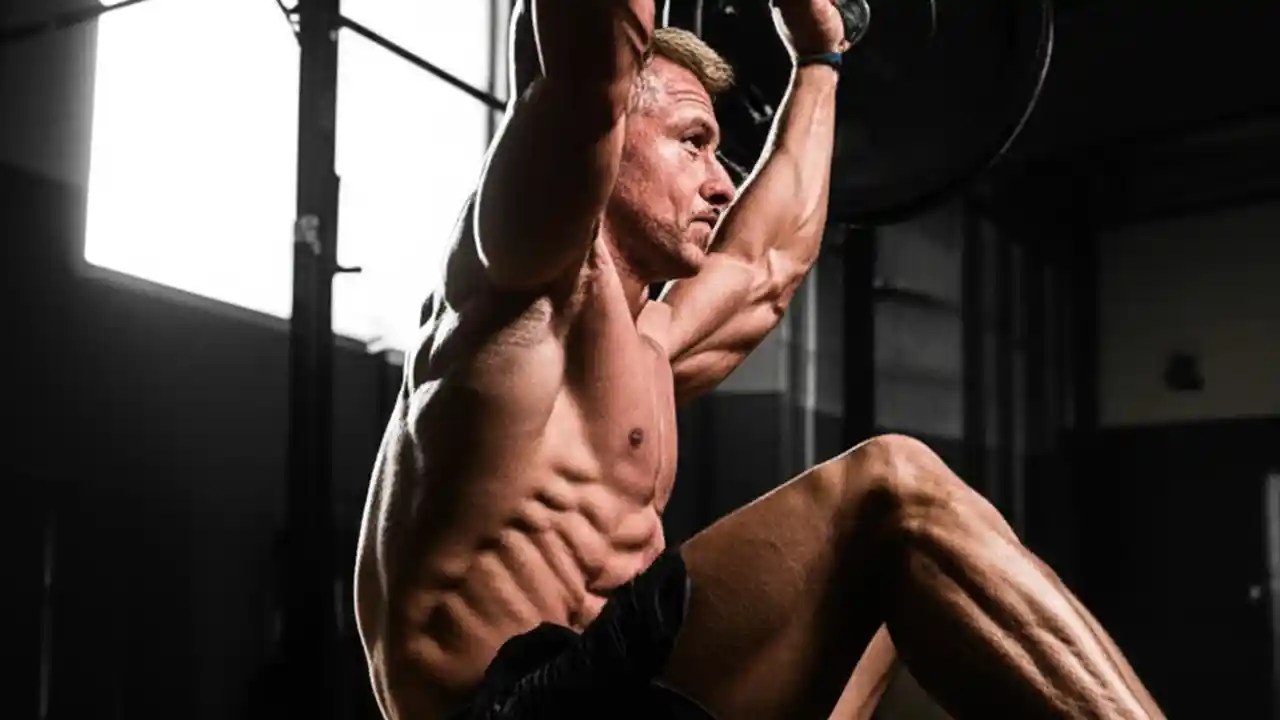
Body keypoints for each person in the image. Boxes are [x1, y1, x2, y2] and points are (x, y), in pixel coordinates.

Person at [355, 1, 1164, 718]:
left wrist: (819, 58)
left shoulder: (646, 345)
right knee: (891, 485)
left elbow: (766, 267)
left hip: (616, 691)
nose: (720, 180)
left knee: (871, 606)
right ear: (604, 141)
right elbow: (588, 66)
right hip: (511, 708)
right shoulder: (518, 284)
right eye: (692, 142)